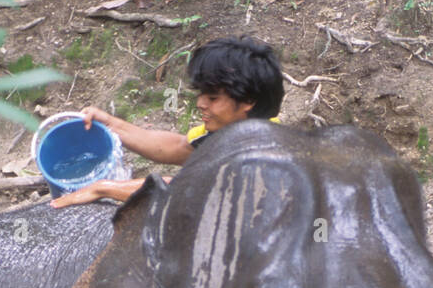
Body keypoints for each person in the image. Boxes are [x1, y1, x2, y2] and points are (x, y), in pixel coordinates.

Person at [48, 36, 284, 208]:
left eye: (212, 98)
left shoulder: (265, 150)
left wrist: (104, 188)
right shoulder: (226, 129)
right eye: (201, 94)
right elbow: (177, 147)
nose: (201, 104)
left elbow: (188, 189)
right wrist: (110, 124)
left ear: (247, 101)